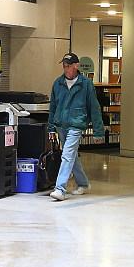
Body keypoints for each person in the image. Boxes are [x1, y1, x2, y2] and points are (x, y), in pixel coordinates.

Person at [47, 52, 104, 201]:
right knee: (71, 155)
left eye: (68, 66)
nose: (66, 69)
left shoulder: (86, 84)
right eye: (64, 66)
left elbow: (94, 108)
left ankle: (60, 188)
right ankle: (83, 184)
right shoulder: (57, 83)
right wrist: (51, 128)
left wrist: (98, 132)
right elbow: (53, 107)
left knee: (67, 155)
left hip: (76, 124)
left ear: (76, 66)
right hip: (61, 124)